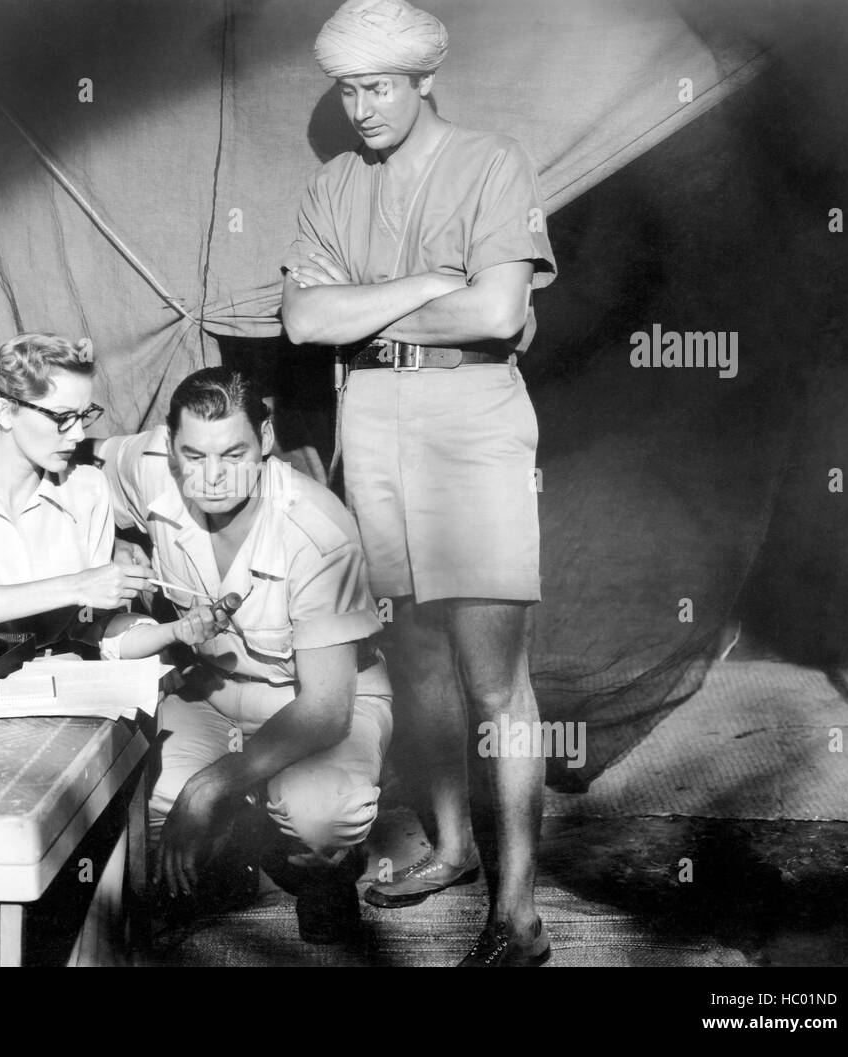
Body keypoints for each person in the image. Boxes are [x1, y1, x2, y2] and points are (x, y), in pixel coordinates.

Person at [280, 0, 558, 966]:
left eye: (380, 86)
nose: (362, 108)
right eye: (349, 89)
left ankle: (519, 915)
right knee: (417, 661)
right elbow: (305, 324)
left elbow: (498, 310)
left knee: (495, 681)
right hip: (373, 419)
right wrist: (427, 288)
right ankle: (452, 848)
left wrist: (380, 313)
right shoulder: (331, 187)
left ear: (425, 80)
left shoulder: (492, 160)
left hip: (471, 418)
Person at [95, 366, 393, 944]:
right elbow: (72, 453)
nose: (210, 478)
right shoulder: (151, 463)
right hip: (212, 689)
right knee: (144, 797)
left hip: (315, 700)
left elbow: (327, 710)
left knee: (322, 813)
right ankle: (233, 854)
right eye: (194, 456)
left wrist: (213, 784)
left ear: (265, 438)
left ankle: (319, 868)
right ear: (171, 446)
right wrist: (111, 549)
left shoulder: (320, 530)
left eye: (233, 454)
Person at [0, 332, 219, 656]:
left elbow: (91, 625)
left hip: (65, 688)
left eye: (83, 416)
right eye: (62, 417)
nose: (78, 434)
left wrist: (173, 631)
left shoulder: (88, 489)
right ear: (6, 412)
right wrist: (78, 586)